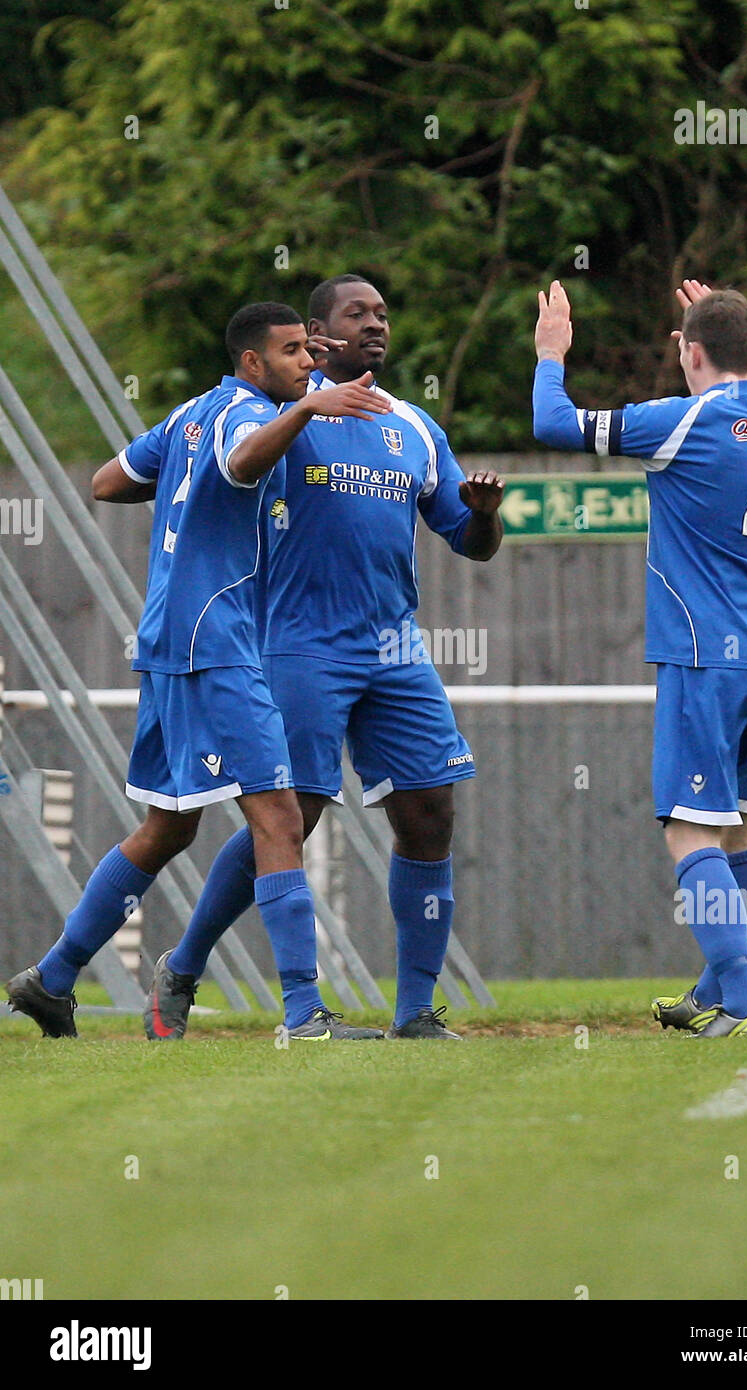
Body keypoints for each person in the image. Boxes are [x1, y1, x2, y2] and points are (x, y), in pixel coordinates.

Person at [6, 301, 389, 1042]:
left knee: (168, 827)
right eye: (291, 354)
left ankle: (52, 979)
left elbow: (108, 480)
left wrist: (191, 487)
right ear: (252, 363)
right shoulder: (247, 413)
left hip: (166, 639)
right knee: (278, 816)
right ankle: (306, 1013)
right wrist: (309, 409)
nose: (308, 364)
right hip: (216, 640)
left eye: (308, 354)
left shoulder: (192, 411)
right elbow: (244, 459)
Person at [148, 274, 504, 1041]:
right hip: (297, 639)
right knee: (290, 818)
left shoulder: (412, 426)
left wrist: (486, 519)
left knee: (431, 810)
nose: (376, 322)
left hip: (395, 646)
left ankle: (415, 1013)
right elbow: (221, 472)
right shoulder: (276, 413)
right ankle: (184, 965)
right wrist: (299, 400)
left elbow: (468, 545)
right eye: (357, 312)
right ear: (319, 332)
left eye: (383, 310)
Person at [533, 277, 747, 1036]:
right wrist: (724, 336)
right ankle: (715, 989)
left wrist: (551, 353)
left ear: (687, 352)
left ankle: (742, 999)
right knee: (741, 829)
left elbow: (552, 422)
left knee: (687, 828)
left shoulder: (681, 421)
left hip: (706, 657)